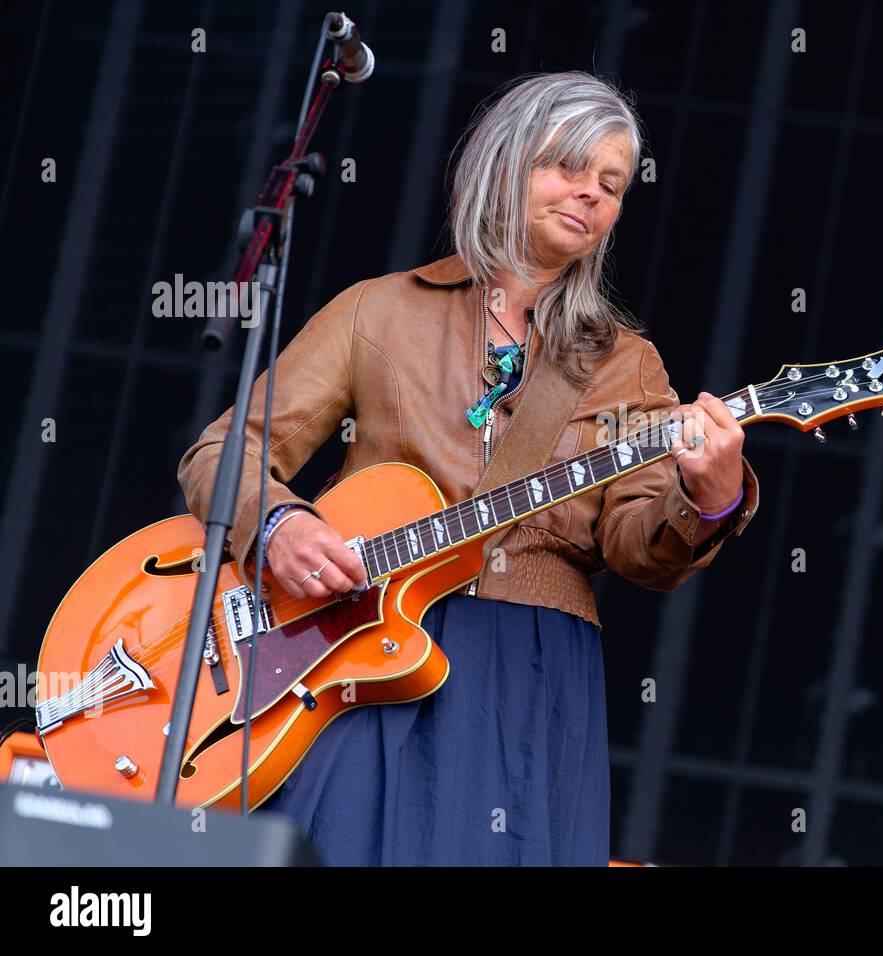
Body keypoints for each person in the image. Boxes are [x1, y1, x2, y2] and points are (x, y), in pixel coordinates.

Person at [177, 70, 760, 866]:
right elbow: (223, 451)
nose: (590, 194)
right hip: (358, 644)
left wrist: (711, 496)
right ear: (505, 164)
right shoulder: (378, 311)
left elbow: (638, 549)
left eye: (611, 183)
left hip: (528, 667)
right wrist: (280, 525)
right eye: (566, 166)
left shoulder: (625, 364)